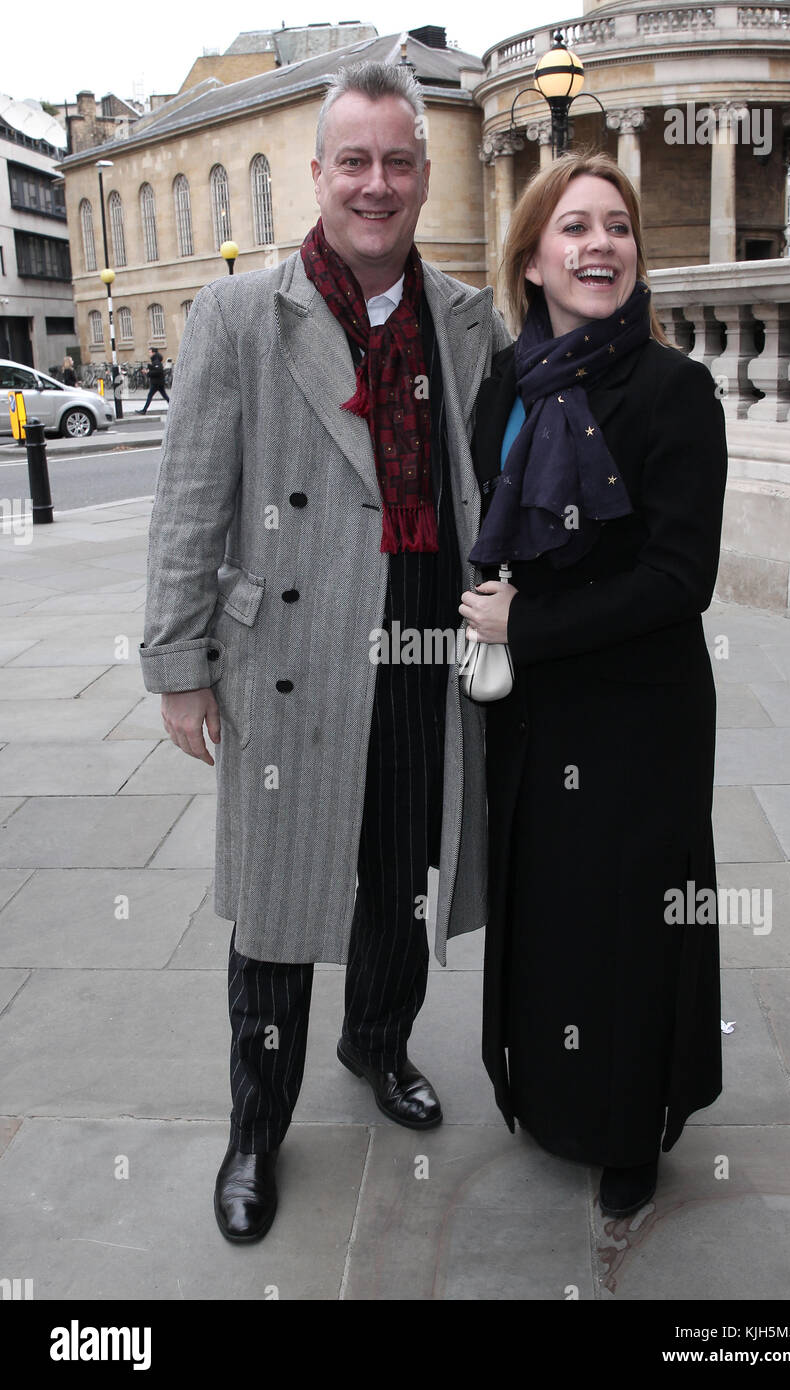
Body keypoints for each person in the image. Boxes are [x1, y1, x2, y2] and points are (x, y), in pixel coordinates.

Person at [139, 60, 509, 1243]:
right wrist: (178, 662)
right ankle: (257, 1124)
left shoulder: (464, 318)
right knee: (279, 912)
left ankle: (377, 1041)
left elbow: (493, 488)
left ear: (422, 174)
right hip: (290, 656)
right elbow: (192, 498)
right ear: (317, 174)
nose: (376, 183)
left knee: (397, 881)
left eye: (398, 161)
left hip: (416, 651)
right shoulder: (242, 314)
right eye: (353, 161)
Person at [459, 151, 728, 1220]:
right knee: (548, 909)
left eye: (615, 227)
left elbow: (679, 578)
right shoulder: (510, 386)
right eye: (573, 228)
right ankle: (551, 1090)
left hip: (637, 709)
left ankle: (629, 1125)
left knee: (628, 921)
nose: (598, 246)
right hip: (532, 706)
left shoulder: (675, 390)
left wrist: (531, 621)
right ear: (532, 259)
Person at [136, 347, 169, 412]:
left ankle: (144, 410)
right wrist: (148, 370)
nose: (149, 354)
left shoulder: (156, 361)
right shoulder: (155, 361)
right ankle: (144, 410)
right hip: (158, 382)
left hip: (157, 383)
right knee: (164, 396)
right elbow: (155, 370)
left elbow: (158, 371)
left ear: (154, 353)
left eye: (150, 352)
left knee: (150, 396)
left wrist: (148, 372)